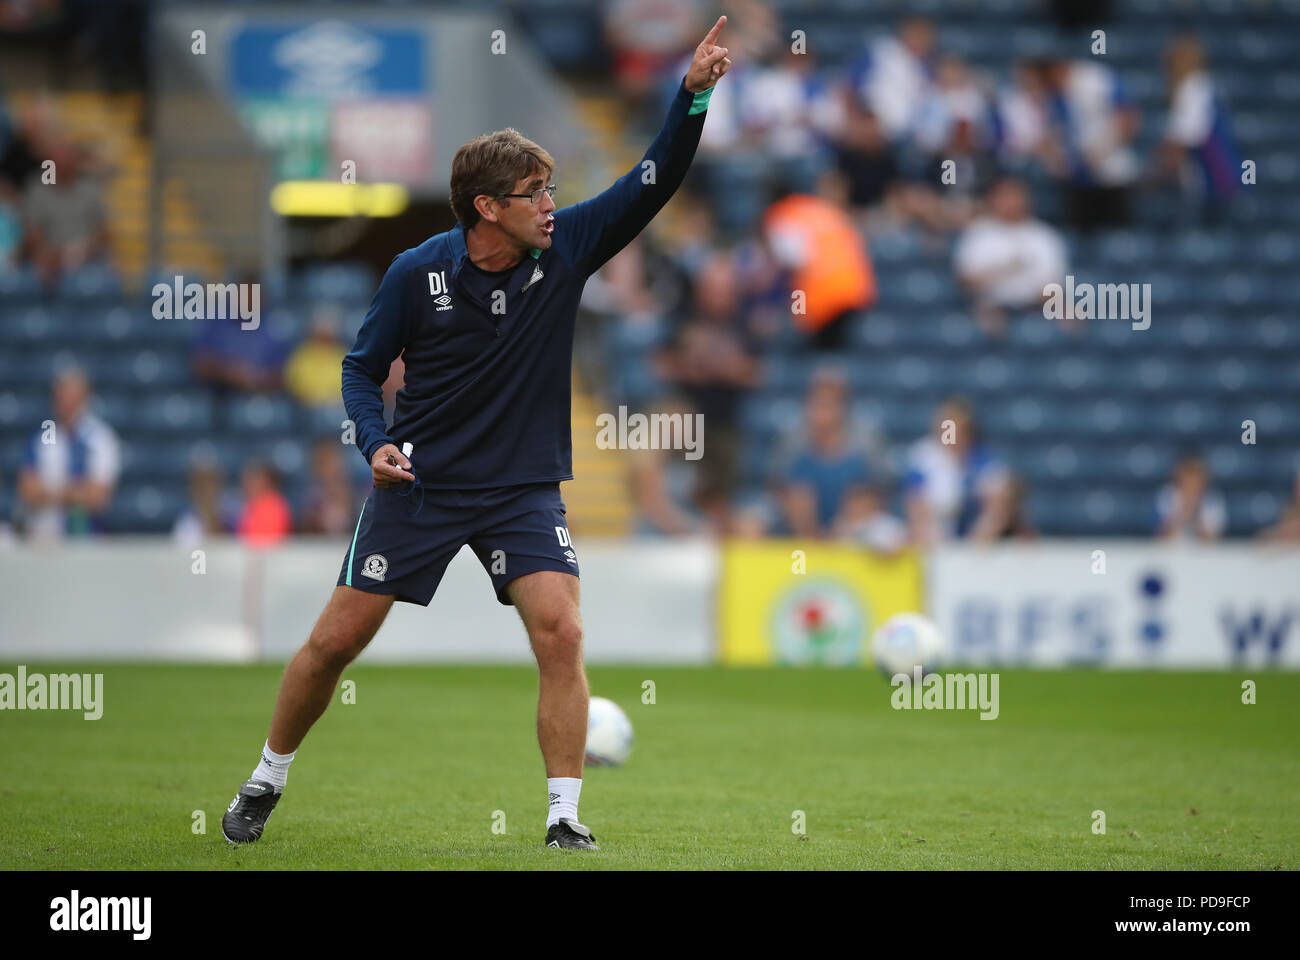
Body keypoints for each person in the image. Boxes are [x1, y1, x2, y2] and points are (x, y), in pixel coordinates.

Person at [221, 17, 733, 852]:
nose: (552, 203)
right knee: (333, 644)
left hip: (522, 487)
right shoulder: (415, 273)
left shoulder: (566, 252)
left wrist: (692, 96)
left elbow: (652, 181)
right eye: (536, 191)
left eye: (552, 188)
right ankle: (265, 777)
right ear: (488, 206)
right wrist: (373, 443)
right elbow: (359, 368)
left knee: (561, 631)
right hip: (419, 484)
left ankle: (564, 817)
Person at [17, 365, 120, 541]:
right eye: (62, 396)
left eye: (73, 397)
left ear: (85, 398)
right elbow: (28, 491)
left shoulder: (101, 437)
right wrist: (76, 492)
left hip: (88, 539)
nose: (67, 403)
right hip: (45, 537)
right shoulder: (42, 435)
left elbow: (99, 497)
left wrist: (50, 491)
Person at [953, 178, 1067, 335]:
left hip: (1035, 306)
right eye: (1004, 197)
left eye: (1014, 196)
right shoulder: (978, 233)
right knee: (988, 321)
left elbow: (1054, 285)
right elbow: (967, 280)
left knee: (1069, 317)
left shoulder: (1044, 235)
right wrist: (1007, 270)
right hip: (991, 306)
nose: (1010, 202)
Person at [903, 397, 1010, 546]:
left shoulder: (983, 459)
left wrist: (980, 536)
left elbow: (998, 506)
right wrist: (934, 536)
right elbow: (915, 503)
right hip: (932, 538)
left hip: (972, 541)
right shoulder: (923, 455)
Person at [1155, 454, 1225, 541]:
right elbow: (1162, 535)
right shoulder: (1167, 495)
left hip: (1204, 551)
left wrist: (1196, 510)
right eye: (1187, 478)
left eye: (1195, 479)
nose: (1191, 483)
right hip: (1173, 549)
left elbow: (1212, 539)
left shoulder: (1212, 498)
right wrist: (1183, 512)